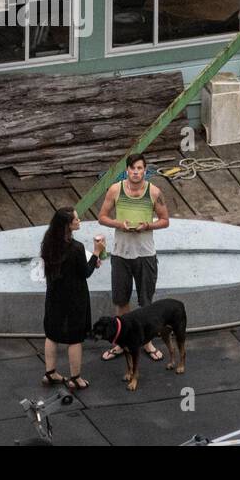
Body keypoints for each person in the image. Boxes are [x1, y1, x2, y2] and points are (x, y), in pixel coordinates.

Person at [96, 152, 170, 362]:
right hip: (121, 253)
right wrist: (119, 224)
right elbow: (101, 217)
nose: (136, 172)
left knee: (146, 301)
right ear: (126, 170)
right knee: (121, 300)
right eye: (132, 168)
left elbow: (165, 220)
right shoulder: (115, 190)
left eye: (140, 169)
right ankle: (121, 341)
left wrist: (149, 225)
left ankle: (146, 341)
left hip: (145, 253)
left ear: (145, 171)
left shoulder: (154, 192)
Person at [40, 206, 105, 391]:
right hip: (74, 298)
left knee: (52, 334)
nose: (79, 221)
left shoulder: (48, 243)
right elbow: (85, 272)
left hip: (54, 295)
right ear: (68, 225)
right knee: (75, 338)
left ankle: (50, 373)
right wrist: (96, 253)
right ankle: (75, 378)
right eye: (76, 220)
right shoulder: (76, 248)